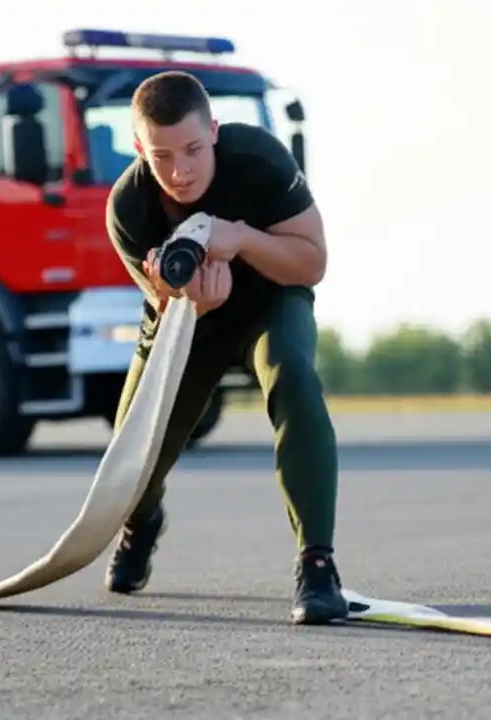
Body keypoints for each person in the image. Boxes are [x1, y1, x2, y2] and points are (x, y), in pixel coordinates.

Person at [103, 70, 348, 625]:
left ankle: (317, 565)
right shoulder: (128, 207)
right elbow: (163, 298)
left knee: (294, 378)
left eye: (192, 148)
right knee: (132, 452)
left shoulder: (258, 158)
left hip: (269, 305)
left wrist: (240, 239)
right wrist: (181, 293)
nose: (180, 170)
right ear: (139, 148)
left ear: (213, 130)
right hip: (187, 320)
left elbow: (313, 262)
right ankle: (141, 520)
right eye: (161, 155)